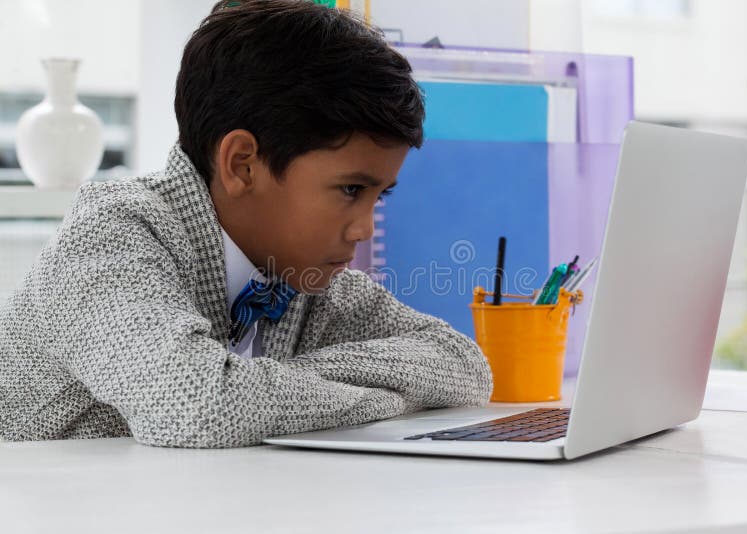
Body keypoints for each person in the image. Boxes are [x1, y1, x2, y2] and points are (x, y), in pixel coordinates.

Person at [0, 0, 492, 448]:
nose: (364, 228)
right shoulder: (112, 233)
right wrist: (390, 396)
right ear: (242, 165)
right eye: (350, 191)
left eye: (379, 195)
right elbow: (196, 406)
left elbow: (462, 366)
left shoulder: (299, 274)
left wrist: (259, 386)